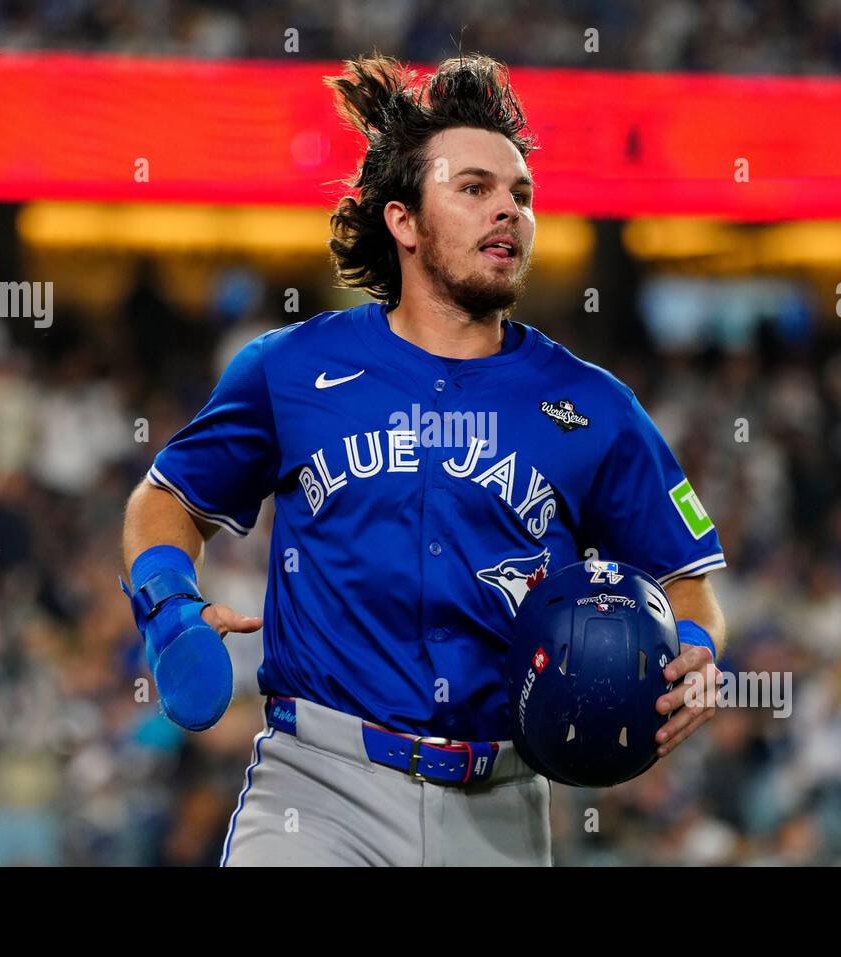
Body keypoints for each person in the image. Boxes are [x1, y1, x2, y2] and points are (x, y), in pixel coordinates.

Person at [120, 53, 728, 866]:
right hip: (318, 786)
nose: (508, 210)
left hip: (502, 803)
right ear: (403, 221)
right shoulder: (288, 369)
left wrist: (693, 649)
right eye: (474, 189)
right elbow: (169, 500)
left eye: (520, 194)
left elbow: (686, 576)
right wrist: (167, 607)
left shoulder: (593, 406)